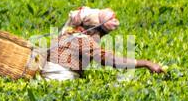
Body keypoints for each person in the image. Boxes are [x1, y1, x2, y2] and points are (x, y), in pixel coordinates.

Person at [39, 6, 168, 80]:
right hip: (59, 80)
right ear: (87, 30)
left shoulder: (68, 35)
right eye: (99, 35)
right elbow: (109, 59)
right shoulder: (81, 39)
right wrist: (146, 63)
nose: (99, 40)